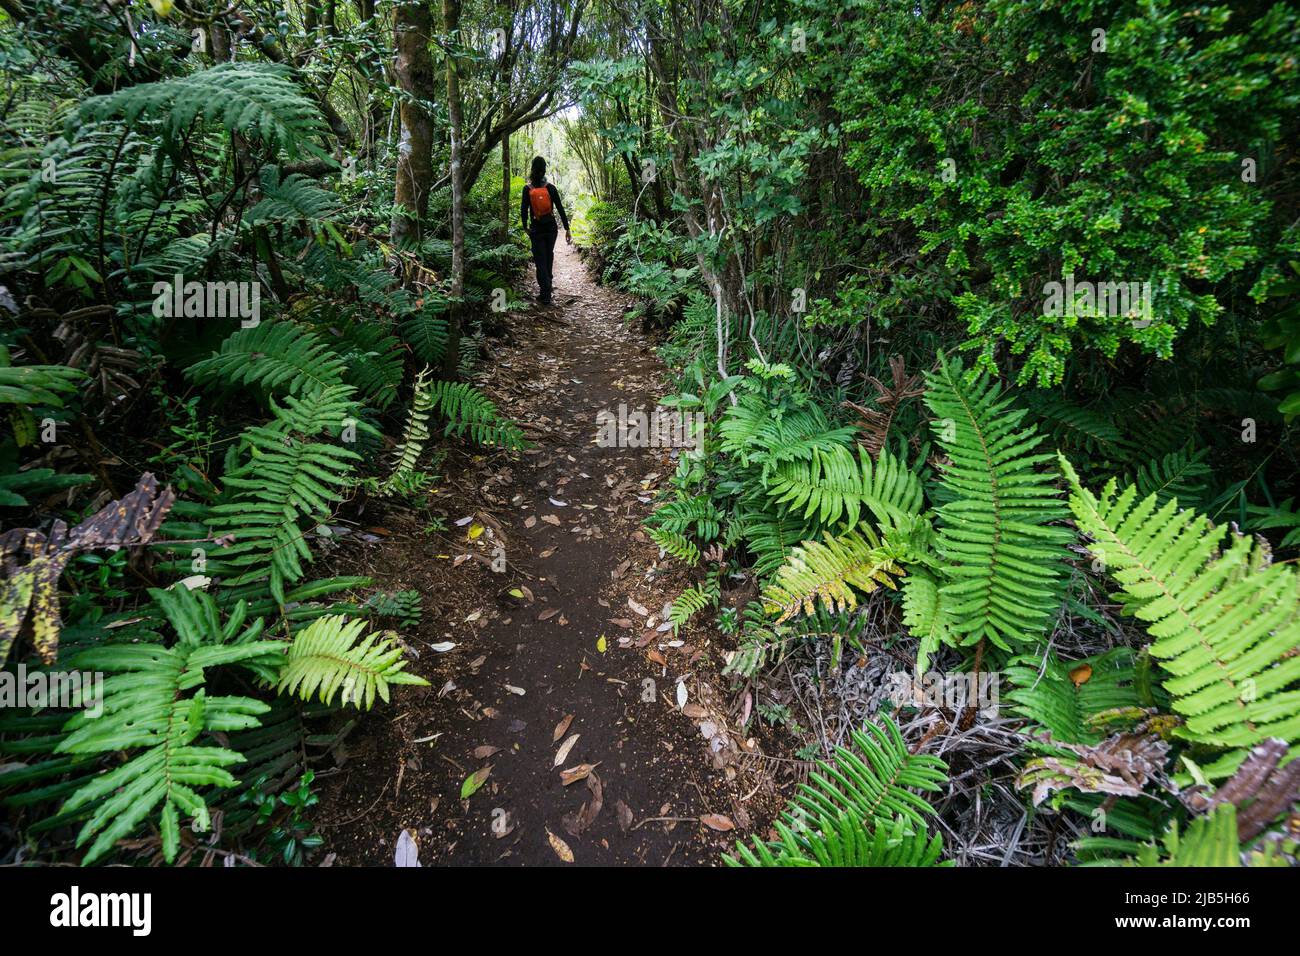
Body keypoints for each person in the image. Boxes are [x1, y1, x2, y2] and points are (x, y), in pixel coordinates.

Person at [520, 156, 571, 305]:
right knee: (548, 255)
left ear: (532, 169)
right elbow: (560, 209)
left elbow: (524, 210)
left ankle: (545, 292)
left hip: (536, 228)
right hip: (551, 228)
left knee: (539, 259)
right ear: (544, 170)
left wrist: (525, 226)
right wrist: (567, 228)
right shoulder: (550, 188)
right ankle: (547, 285)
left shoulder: (527, 189)